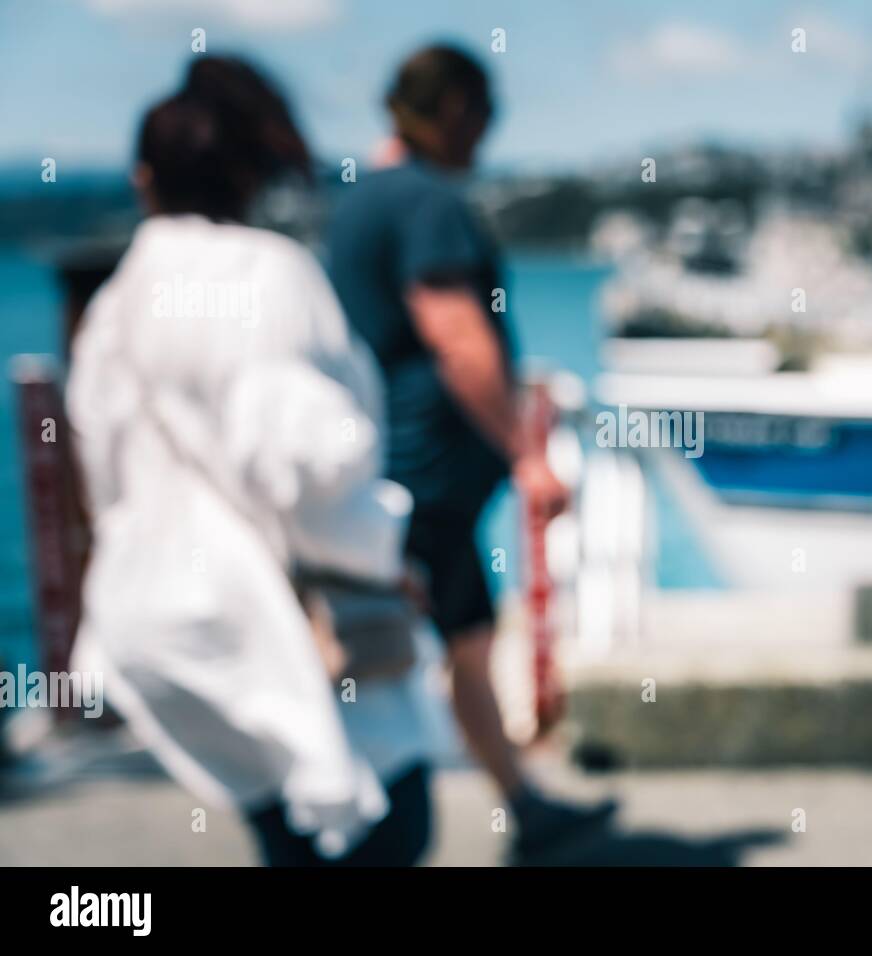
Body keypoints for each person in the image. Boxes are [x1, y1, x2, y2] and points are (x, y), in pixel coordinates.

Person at [66, 57, 435, 866]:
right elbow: (303, 468)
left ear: (143, 178)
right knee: (392, 824)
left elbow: (104, 474)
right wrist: (386, 552)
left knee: (286, 833)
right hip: (271, 619)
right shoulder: (268, 273)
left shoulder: (116, 301)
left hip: (157, 622)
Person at [327, 44, 615, 858]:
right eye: (484, 115)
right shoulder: (428, 204)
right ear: (454, 108)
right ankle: (362, 828)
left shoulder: (359, 200)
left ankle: (521, 808)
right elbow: (455, 334)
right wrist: (527, 454)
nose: (487, 135)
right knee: (410, 644)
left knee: (456, 639)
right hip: (428, 478)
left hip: (386, 466)